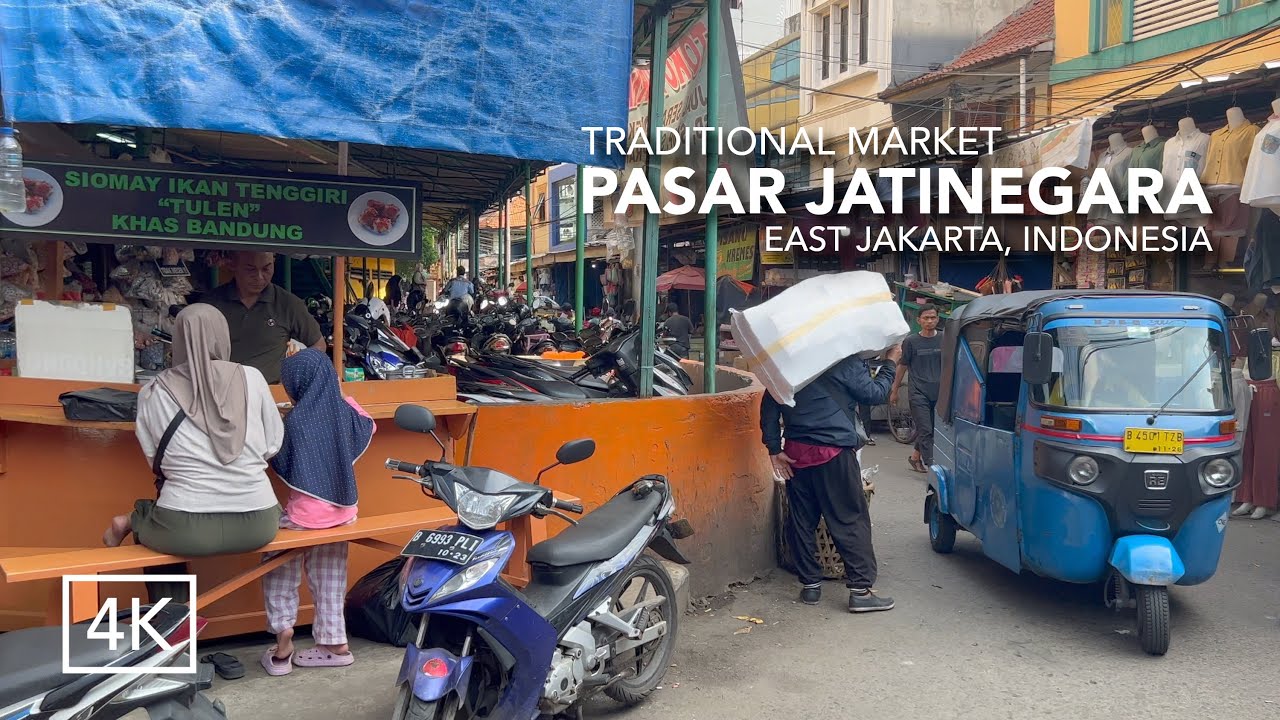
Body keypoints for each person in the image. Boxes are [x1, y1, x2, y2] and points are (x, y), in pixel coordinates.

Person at [103, 304, 282, 555]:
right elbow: (272, 444)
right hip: (258, 523)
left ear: (178, 339)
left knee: (152, 528)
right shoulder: (253, 378)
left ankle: (167, 587)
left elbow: (155, 458)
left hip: (182, 528)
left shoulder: (154, 391)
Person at [261, 349, 375, 675]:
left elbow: (273, 453)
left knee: (278, 565)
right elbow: (368, 424)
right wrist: (339, 394)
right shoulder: (343, 413)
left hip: (304, 518)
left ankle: (283, 636)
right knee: (330, 575)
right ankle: (334, 642)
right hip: (343, 513)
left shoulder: (294, 423)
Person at [762, 347, 900, 612]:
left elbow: (769, 405)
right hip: (833, 451)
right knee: (848, 517)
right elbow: (873, 394)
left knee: (802, 519)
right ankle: (860, 590)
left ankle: (810, 586)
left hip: (796, 451)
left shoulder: (785, 363)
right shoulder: (843, 359)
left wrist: (774, 449)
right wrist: (891, 362)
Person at [203, 251, 325, 384]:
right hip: (222, 390)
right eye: (251, 269)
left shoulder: (288, 303)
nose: (260, 277)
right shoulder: (211, 304)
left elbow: (318, 344)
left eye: (266, 268)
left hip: (272, 392)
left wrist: (298, 375)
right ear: (232, 264)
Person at [891, 305, 943, 474]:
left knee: (931, 429)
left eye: (933, 317)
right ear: (918, 320)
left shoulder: (944, 339)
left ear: (938, 319)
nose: (929, 321)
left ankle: (915, 458)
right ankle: (933, 466)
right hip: (918, 392)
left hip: (940, 392)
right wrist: (894, 390)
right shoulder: (911, 342)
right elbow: (902, 366)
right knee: (926, 429)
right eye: (926, 318)